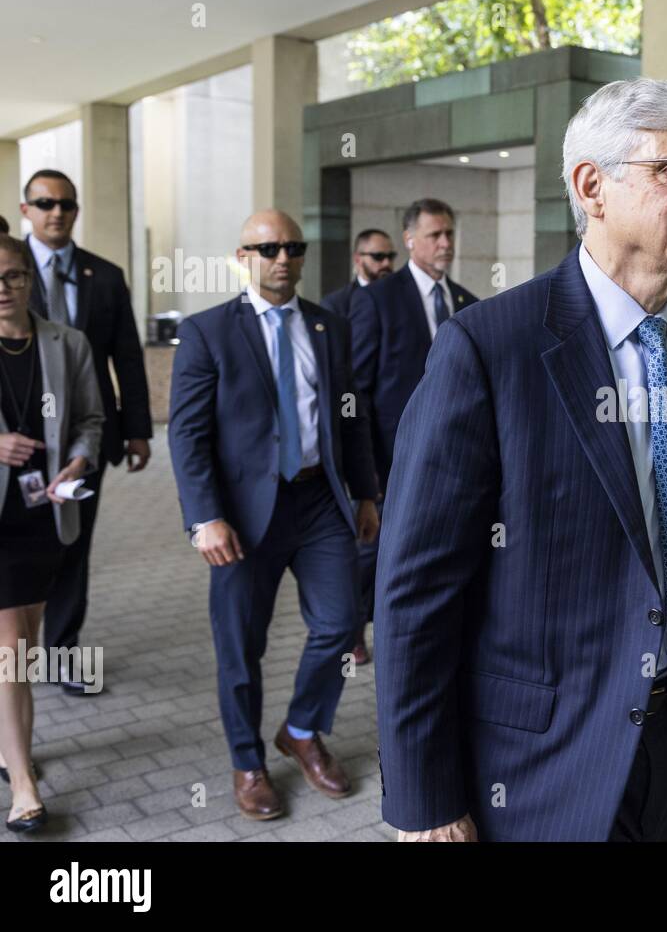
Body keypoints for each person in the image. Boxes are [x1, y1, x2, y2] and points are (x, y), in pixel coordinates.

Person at [374, 76, 667, 842]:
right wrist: (426, 800)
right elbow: (415, 592)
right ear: (591, 187)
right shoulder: (487, 349)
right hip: (535, 763)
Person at [169, 210, 379, 820]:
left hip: (319, 501)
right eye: (267, 248)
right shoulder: (208, 332)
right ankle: (247, 761)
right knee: (240, 647)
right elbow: (187, 435)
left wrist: (365, 493)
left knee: (342, 625)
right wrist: (204, 516)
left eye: (291, 246)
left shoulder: (328, 326)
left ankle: (305, 730)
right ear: (243, 256)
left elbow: (350, 414)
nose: (281, 257)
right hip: (240, 513)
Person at [20, 170, 152, 694]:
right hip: (20, 437)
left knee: (72, 543)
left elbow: (128, 358)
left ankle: (61, 653)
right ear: (26, 209)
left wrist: (138, 429)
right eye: (45, 203)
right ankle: (17, 651)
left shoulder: (106, 275)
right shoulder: (8, 268)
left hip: (87, 437)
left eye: (67, 204)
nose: (57, 212)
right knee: (22, 543)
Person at [0, 233, 104, 833]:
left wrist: (81, 459)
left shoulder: (67, 344)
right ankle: (23, 784)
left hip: (46, 511)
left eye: (14, 276)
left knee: (22, 645)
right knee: (13, 649)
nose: (5, 288)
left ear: (29, 280)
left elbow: (92, 417)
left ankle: (9, 744)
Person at [348, 199, 479, 491]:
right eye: (435, 235)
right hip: (394, 460)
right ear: (409, 239)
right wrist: (365, 471)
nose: (445, 243)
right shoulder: (376, 299)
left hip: (458, 457)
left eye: (450, 234)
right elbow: (357, 390)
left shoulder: (469, 304)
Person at [321, 228, 396, 665]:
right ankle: (352, 633)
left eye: (389, 256)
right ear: (357, 259)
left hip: (397, 448)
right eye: (375, 256)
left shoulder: (400, 301)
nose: (384, 263)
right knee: (364, 551)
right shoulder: (335, 309)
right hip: (359, 449)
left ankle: (379, 627)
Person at [321, 228, 397, 318]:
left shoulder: (402, 297)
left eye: (391, 256)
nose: (387, 263)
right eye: (378, 256)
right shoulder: (337, 304)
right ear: (358, 259)